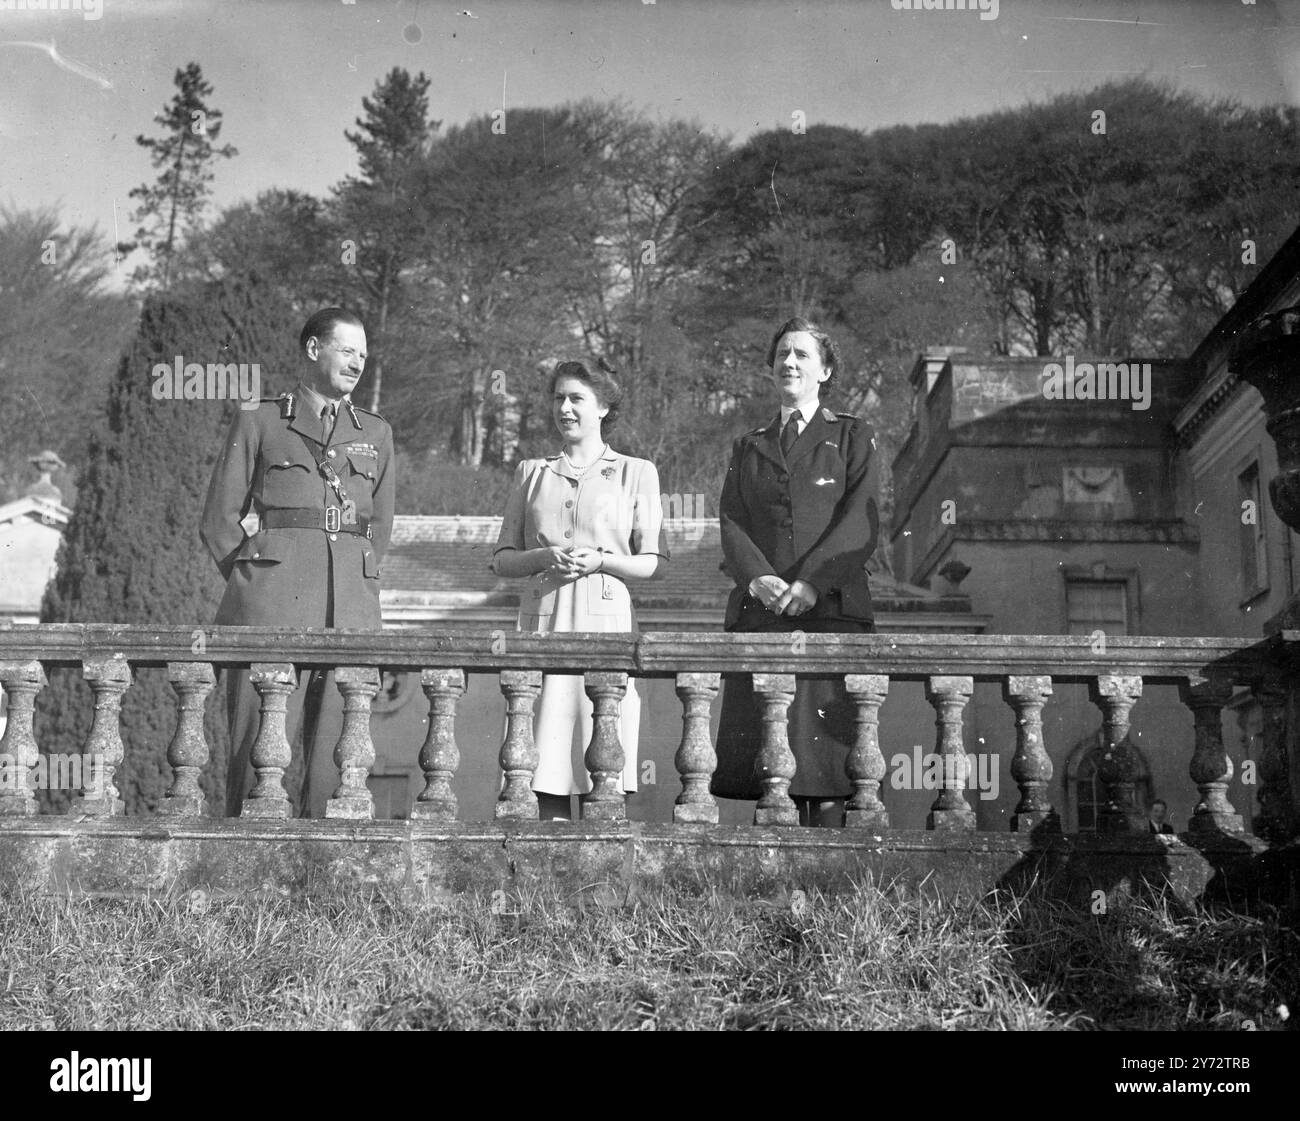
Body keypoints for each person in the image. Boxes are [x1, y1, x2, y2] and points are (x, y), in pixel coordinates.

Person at [201, 307, 395, 818]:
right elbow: (220, 519)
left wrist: (357, 583)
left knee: (340, 762)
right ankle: (243, 874)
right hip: (269, 612)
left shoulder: (376, 433)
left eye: (363, 355)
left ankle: (325, 879)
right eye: (347, 350)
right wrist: (256, 583)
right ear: (314, 349)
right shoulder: (261, 418)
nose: (357, 363)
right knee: (258, 755)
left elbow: (380, 530)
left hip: (351, 613)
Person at [711, 316, 880, 827]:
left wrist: (811, 583)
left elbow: (861, 520)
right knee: (770, 763)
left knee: (827, 762)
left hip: (830, 612)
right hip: (762, 615)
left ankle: (827, 886)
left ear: (825, 371)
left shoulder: (852, 436)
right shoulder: (749, 445)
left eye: (802, 355)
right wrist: (757, 579)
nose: (789, 362)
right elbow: (731, 520)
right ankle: (775, 889)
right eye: (783, 354)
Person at [491, 360, 667, 820]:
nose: (564, 409)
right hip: (543, 625)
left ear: (604, 406)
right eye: (558, 398)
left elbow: (652, 562)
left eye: (577, 399)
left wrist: (602, 560)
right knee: (541, 764)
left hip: (606, 627)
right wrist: (544, 558)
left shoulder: (637, 472)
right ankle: (541, 886)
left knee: (601, 763)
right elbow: (502, 559)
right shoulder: (531, 472)